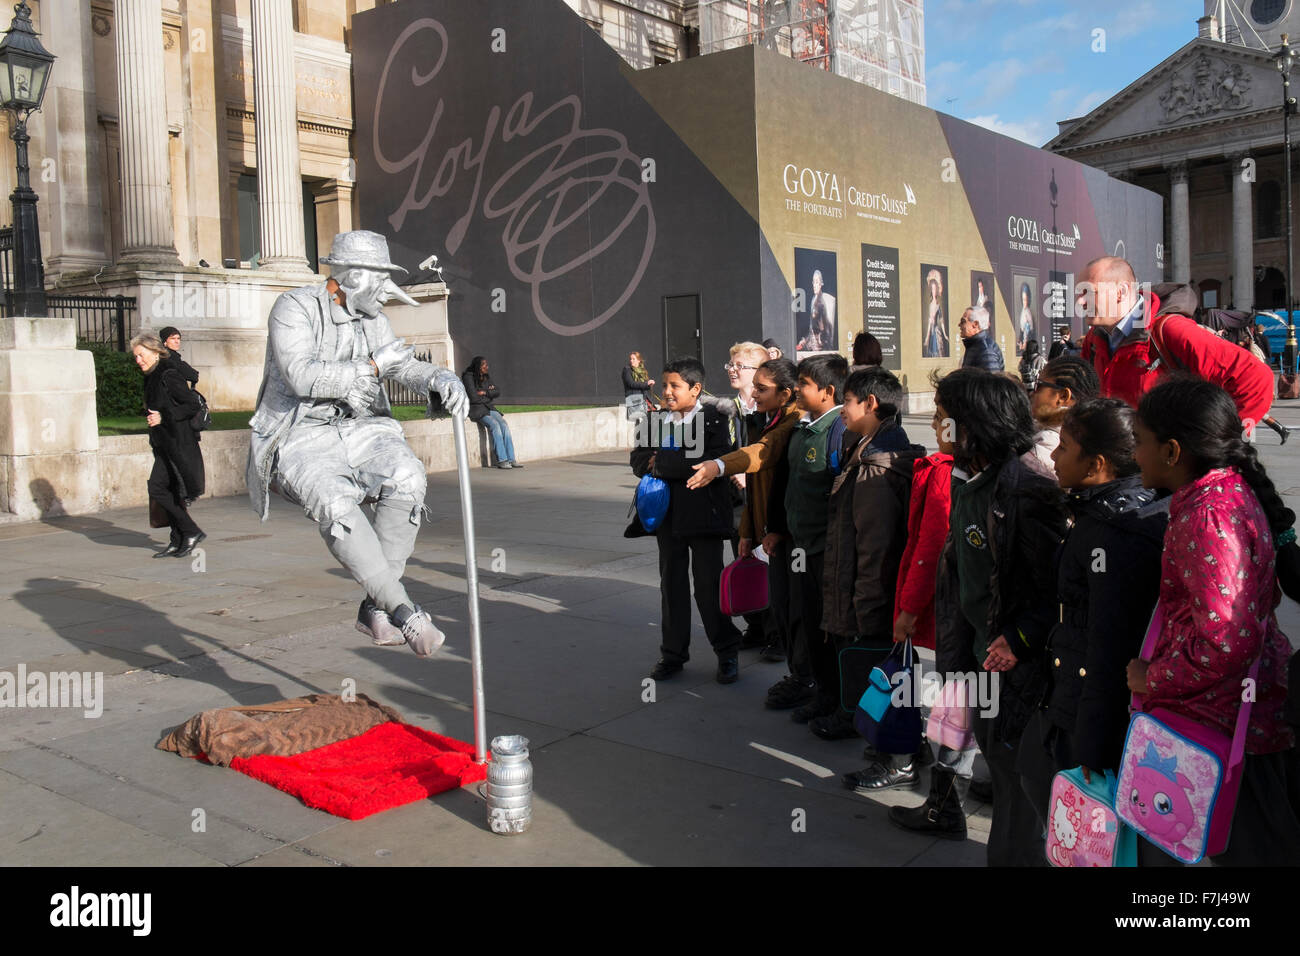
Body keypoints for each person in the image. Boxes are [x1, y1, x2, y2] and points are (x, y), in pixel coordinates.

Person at [246, 229, 470, 657]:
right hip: (300, 431)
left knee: (407, 476)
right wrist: (369, 366)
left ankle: (375, 605)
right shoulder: (293, 309)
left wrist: (439, 378)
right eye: (381, 279)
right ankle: (404, 611)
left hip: (361, 427)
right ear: (352, 277)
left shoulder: (374, 320)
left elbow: (402, 366)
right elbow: (300, 375)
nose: (387, 290)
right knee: (332, 500)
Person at [888, 369, 1067, 862]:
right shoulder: (970, 479)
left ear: (973, 424)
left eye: (943, 417)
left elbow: (1056, 589)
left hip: (1016, 672)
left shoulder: (1026, 489)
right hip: (973, 660)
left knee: (1017, 790)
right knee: (997, 761)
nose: (936, 425)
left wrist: (1018, 638)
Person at [1128, 378, 1300, 865]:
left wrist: (1152, 676)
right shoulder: (1218, 493)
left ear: (1172, 450)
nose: (1134, 454)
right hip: (1235, 713)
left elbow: (1226, 642)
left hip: (1225, 726)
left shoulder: (1209, 515)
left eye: (1140, 442)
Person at [1016, 398, 1168, 838]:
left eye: (1063, 447)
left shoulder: (1114, 533)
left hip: (1086, 715)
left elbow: (1108, 645)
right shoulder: (1111, 513)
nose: (1054, 457)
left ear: (1097, 464)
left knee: (1084, 834)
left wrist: (1092, 745)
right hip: (1073, 701)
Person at [823, 368, 927, 784]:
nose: (841, 410)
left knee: (885, 675)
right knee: (886, 675)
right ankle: (898, 749)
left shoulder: (877, 465)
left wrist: (865, 603)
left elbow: (876, 545)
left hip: (873, 595)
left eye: (846, 401)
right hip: (871, 592)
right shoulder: (866, 447)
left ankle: (897, 760)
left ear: (870, 404)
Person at [631, 358, 743, 684]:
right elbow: (638, 460)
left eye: (674, 386)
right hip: (666, 518)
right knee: (672, 586)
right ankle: (673, 654)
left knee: (708, 588)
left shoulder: (714, 419)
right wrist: (667, 461)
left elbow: (713, 459)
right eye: (665, 385)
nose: (667, 392)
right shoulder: (655, 419)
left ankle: (727, 651)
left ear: (695, 389)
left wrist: (662, 460)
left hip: (704, 517)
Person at [1075, 256, 1274, 433]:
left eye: (1089, 292)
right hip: (1122, 467)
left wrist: (1215, 447)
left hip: (1166, 468)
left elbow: (1256, 379)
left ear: (1121, 292)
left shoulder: (1170, 330)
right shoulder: (1094, 341)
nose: (1081, 301)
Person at [688, 357, 801, 665]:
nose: (756, 393)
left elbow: (761, 453)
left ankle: (801, 672)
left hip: (791, 531)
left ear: (786, 393)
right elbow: (756, 484)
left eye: (762, 387)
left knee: (793, 606)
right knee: (771, 591)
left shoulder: (796, 422)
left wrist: (718, 465)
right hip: (764, 525)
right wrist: (748, 532)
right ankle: (778, 648)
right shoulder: (758, 418)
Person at [762, 354, 850, 713]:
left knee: (826, 627)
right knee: (799, 616)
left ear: (828, 391)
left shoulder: (840, 431)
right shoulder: (800, 431)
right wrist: (777, 530)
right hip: (796, 545)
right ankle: (812, 682)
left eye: (804, 384)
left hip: (826, 551)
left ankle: (831, 694)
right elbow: (786, 484)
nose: (797, 389)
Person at [132, 331, 205, 558]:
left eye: (141, 355)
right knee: (171, 491)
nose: (138, 360)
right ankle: (178, 539)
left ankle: (191, 531)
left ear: (155, 352)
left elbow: (191, 404)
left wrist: (164, 417)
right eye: (135, 356)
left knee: (157, 488)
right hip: (164, 443)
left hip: (178, 444)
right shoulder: (152, 375)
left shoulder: (167, 374)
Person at [1027, 355, 1099, 472]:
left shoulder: (1045, 447)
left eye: (1038, 386)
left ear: (1063, 396)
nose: (1032, 394)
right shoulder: (1090, 434)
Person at [464, 356, 523, 469]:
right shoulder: (468, 377)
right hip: (477, 410)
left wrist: (484, 392)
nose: (487, 367)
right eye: (484, 365)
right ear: (478, 367)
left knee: (504, 425)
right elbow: (473, 398)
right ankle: (502, 460)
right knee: (495, 425)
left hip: (489, 407)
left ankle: (511, 459)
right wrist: (488, 394)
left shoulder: (486, 376)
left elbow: (497, 391)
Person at [958, 306, 1004, 372]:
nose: (959, 325)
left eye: (963, 321)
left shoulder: (986, 350)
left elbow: (991, 380)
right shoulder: (976, 345)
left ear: (975, 324)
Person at [622, 350, 656, 421]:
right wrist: (646, 384)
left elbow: (644, 386)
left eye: (633, 359)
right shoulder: (627, 370)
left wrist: (649, 384)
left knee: (653, 415)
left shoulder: (642, 371)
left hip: (643, 398)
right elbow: (631, 384)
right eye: (630, 359)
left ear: (639, 360)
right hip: (634, 398)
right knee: (640, 420)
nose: (631, 360)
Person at [924, 271, 949, 358]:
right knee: (931, 352)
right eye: (932, 289)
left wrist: (945, 334)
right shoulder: (931, 305)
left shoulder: (938, 305)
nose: (934, 291)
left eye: (935, 289)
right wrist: (927, 336)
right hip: (931, 333)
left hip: (936, 331)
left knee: (938, 351)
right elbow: (930, 321)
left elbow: (941, 320)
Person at [1018, 283, 1034, 355]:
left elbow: (1029, 329)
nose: (1024, 302)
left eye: (1025, 300)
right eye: (1023, 299)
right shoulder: (1023, 310)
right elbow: (1021, 329)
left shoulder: (1028, 312)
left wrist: (1025, 342)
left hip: (1027, 340)